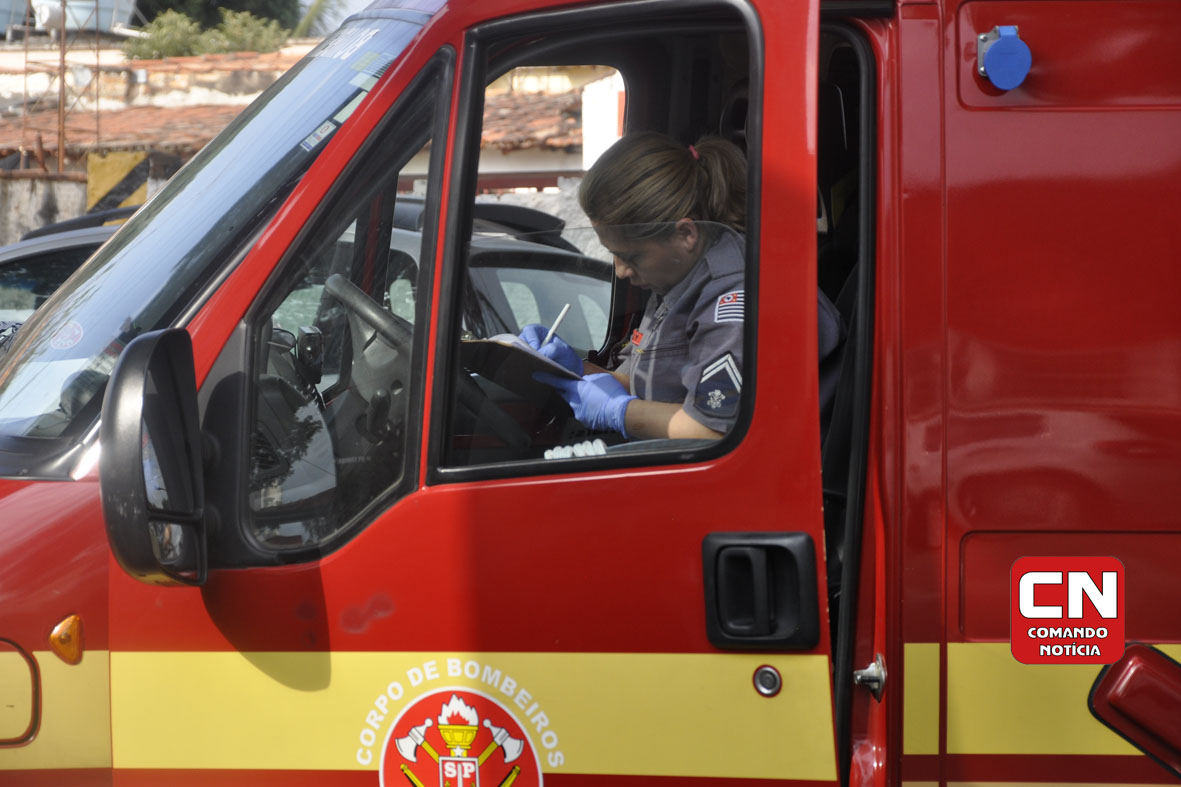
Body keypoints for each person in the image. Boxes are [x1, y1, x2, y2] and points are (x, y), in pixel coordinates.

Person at [523, 131, 842, 441]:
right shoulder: (678, 279)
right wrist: (575, 371)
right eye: (613, 254)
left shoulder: (733, 302)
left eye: (630, 256)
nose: (620, 271)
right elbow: (647, 385)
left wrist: (618, 413)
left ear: (686, 235)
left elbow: (713, 429)